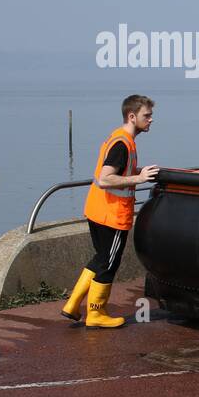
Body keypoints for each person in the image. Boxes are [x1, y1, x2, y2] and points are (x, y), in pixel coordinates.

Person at [61, 94, 159, 327]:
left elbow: (116, 172)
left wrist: (136, 170)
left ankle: (73, 304)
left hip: (97, 210)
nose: (151, 120)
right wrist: (140, 177)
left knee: (100, 258)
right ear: (132, 116)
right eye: (147, 115)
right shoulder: (122, 144)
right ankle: (96, 313)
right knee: (109, 263)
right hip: (112, 215)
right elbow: (105, 179)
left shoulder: (119, 138)